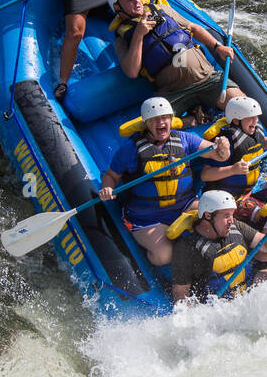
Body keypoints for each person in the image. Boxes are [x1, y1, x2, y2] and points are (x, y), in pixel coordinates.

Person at [97, 96, 231, 266]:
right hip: (147, 217)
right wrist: (107, 188)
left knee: (217, 216)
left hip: (185, 205)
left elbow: (217, 154)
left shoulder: (184, 139)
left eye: (164, 117)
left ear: (171, 119)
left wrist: (223, 147)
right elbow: (111, 176)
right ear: (147, 123)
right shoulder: (130, 149)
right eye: (155, 119)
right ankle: (152, 259)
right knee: (163, 257)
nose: (161, 122)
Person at [106, 0, 245, 125]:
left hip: (208, 79)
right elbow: (131, 72)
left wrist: (218, 47)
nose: (137, 2)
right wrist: (138, 35)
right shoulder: (122, 40)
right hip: (172, 93)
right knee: (154, 126)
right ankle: (192, 119)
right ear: (117, 7)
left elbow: (194, 28)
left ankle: (201, 111)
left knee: (244, 106)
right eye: (130, 0)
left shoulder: (162, 9)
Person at [169, 189, 267, 303]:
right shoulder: (187, 247)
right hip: (220, 307)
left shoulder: (236, 226)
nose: (231, 220)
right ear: (208, 215)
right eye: (226, 216)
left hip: (249, 294)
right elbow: (181, 292)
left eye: (232, 214)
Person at [200, 96, 267, 195]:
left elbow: (261, 144)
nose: (256, 120)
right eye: (250, 116)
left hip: (251, 188)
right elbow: (205, 175)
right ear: (236, 120)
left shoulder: (252, 131)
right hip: (228, 195)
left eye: (256, 116)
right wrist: (232, 170)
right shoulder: (227, 141)